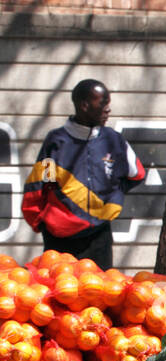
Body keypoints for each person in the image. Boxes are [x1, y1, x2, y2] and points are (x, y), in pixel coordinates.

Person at [22, 80, 145, 270]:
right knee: (61, 293)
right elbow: (39, 185)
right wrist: (42, 223)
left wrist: (111, 198)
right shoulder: (57, 142)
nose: (108, 109)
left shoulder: (114, 140)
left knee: (100, 294)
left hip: (99, 237)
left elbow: (136, 174)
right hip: (59, 238)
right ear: (84, 105)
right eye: (103, 103)